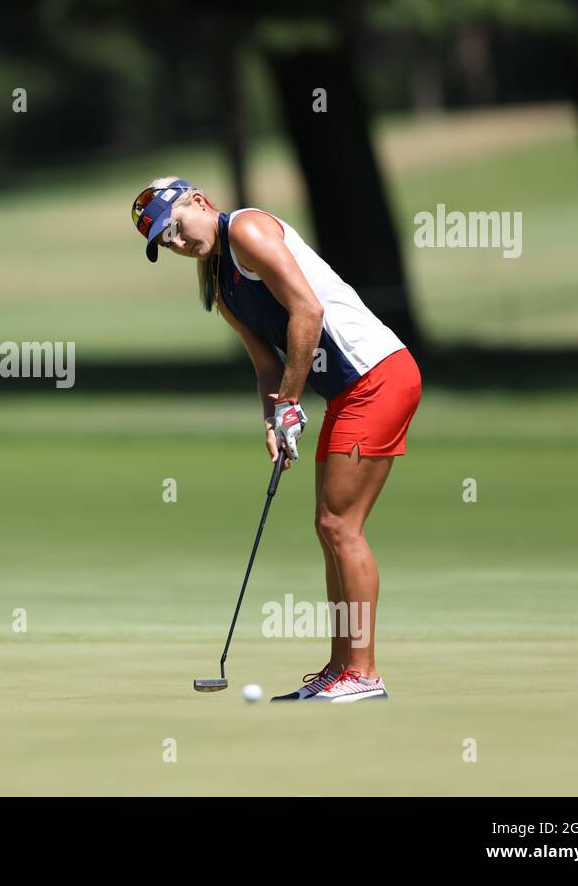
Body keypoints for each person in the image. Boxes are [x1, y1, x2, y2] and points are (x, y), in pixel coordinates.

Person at [130, 177, 422, 702]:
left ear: (199, 202)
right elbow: (268, 363)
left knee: (341, 525)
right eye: (164, 243)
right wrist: (272, 418)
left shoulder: (247, 229)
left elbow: (308, 312)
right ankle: (341, 669)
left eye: (174, 229)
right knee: (328, 526)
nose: (176, 244)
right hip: (346, 392)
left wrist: (290, 403)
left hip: (377, 376)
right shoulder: (221, 287)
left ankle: (364, 673)